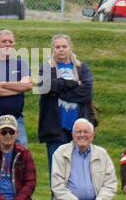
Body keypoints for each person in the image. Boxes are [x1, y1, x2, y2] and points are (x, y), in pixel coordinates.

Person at [37, 34, 95, 177]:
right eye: (57, 47)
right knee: (57, 172)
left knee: (79, 172)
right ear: (53, 49)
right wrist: (73, 84)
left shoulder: (82, 68)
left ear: (70, 48)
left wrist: (59, 91)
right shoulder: (46, 67)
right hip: (55, 128)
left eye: (64, 46)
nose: (61, 50)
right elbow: (45, 86)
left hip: (79, 130)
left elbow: (86, 92)